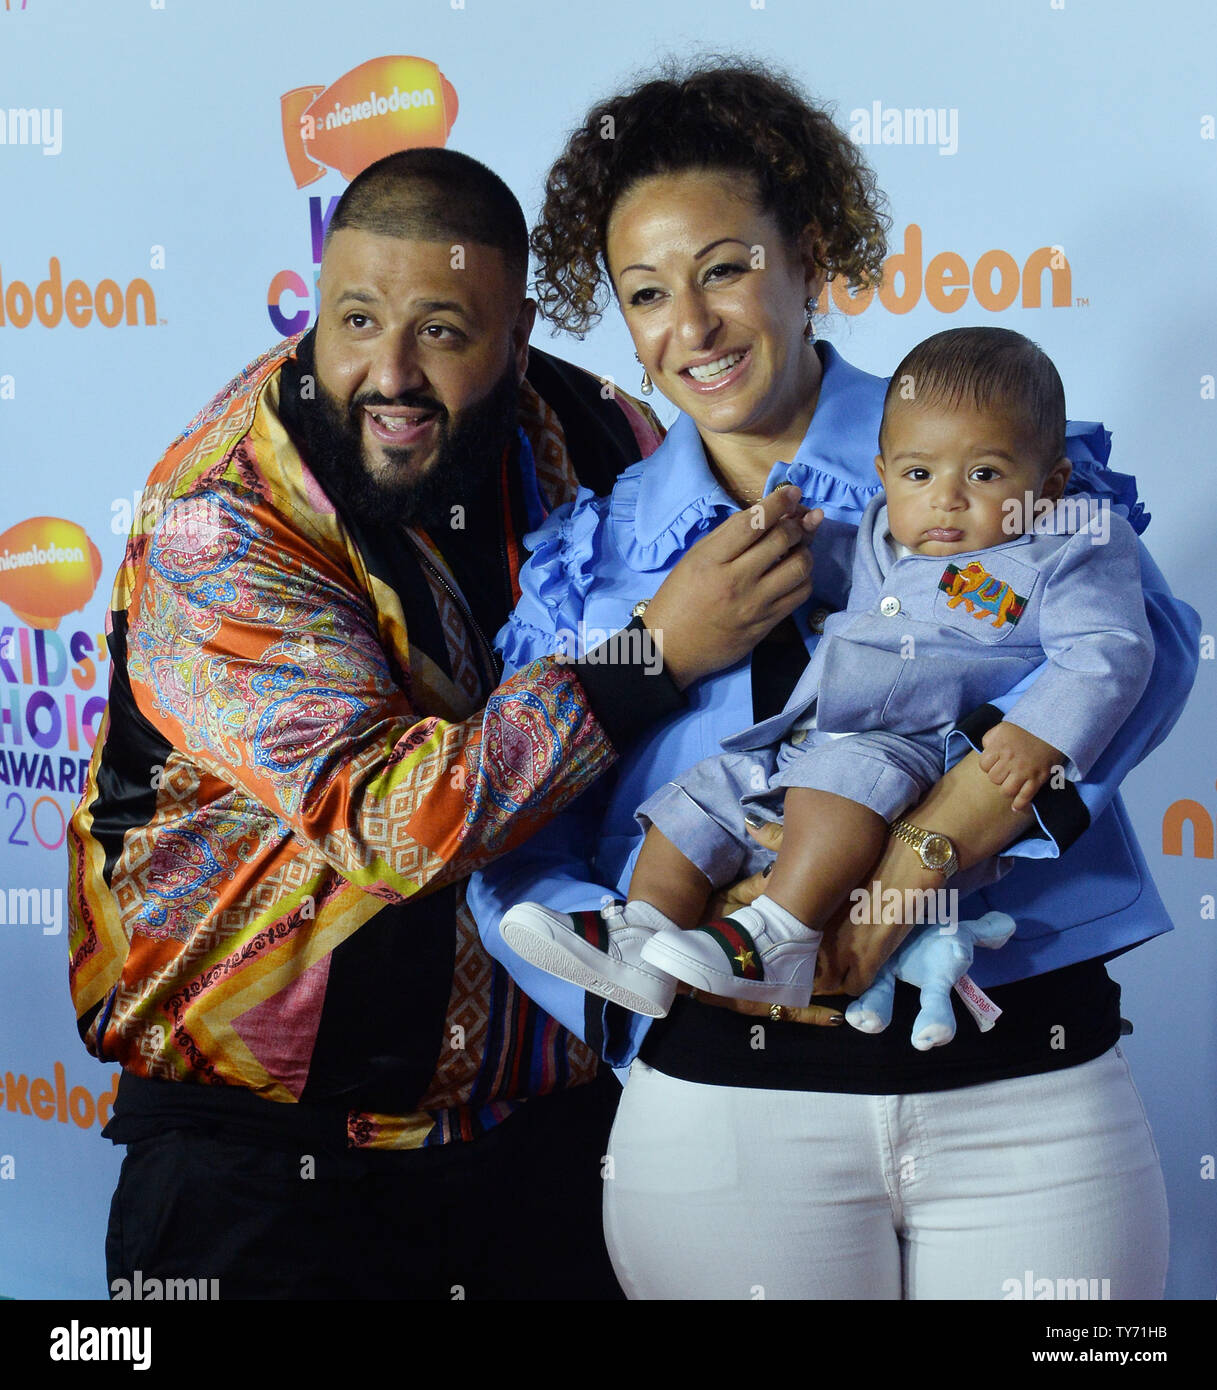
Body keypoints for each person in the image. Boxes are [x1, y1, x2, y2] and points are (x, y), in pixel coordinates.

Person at [468, 63, 1199, 1298]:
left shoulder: (985, 439)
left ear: (806, 255)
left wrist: (921, 858)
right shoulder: (592, 559)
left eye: (724, 268)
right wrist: (654, 984)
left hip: (1023, 1076)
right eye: (645, 294)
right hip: (727, 1114)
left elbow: (1144, 666)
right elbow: (513, 833)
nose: (688, 327)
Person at [65, 147, 819, 1300]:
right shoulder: (220, 518)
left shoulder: (605, 434)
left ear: (515, 332)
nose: (388, 372)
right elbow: (394, 825)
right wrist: (650, 654)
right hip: (261, 1162)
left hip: (553, 1136)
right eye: (356, 319)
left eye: (441, 331)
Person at [498, 328, 1155, 1015]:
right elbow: (835, 565)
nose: (946, 499)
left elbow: (1114, 649)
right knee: (695, 798)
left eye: (984, 475)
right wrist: (782, 533)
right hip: (808, 740)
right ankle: (642, 939)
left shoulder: (1066, 543)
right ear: (884, 474)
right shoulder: (880, 529)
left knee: (839, 779)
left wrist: (1040, 734)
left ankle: (779, 933)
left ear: (1046, 483)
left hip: (909, 747)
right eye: (918, 475)